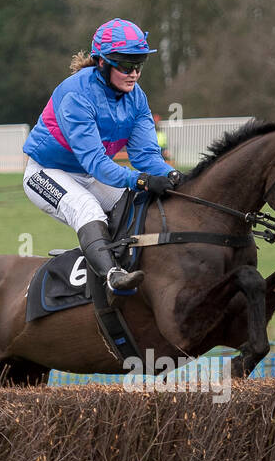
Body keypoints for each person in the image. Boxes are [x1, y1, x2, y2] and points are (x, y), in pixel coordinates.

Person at [22, 18, 182, 295]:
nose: (134, 73)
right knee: (87, 207)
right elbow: (96, 163)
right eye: (126, 65)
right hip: (46, 173)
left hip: (88, 173)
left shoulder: (137, 97)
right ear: (102, 63)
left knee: (135, 204)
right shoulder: (76, 94)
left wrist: (171, 175)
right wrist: (143, 180)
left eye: (139, 65)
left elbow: (145, 155)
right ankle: (112, 275)